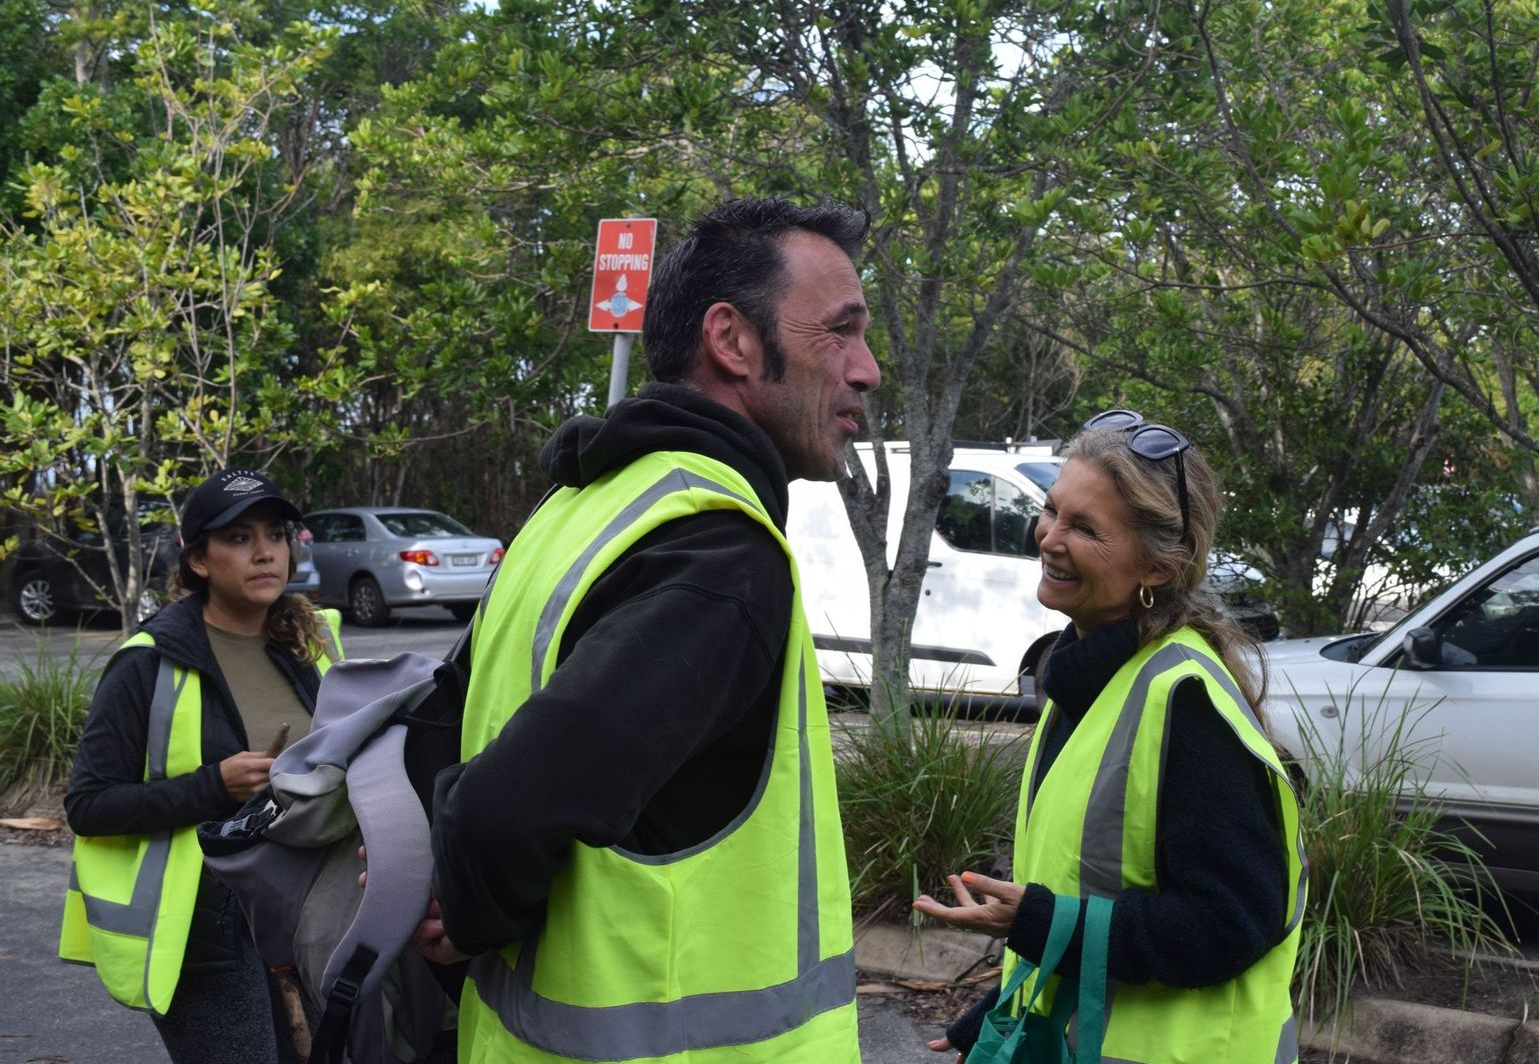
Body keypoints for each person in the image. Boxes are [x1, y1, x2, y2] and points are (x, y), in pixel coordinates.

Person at [427, 197, 879, 1062]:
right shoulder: (721, 552)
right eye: (841, 331)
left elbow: (439, 723)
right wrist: (472, 912)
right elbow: (501, 807)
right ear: (733, 340)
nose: (868, 369)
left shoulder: (577, 506)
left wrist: (457, 906)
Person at [913, 411, 1308, 1063]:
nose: (1048, 537)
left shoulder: (1185, 700)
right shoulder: (1084, 675)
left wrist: (1038, 922)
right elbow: (1091, 895)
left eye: (1085, 528)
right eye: (1051, 510)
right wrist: (997, 1013)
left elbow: (1232, 920)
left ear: (1156, 567)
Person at [61, 468, 344, 1063]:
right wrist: (213, 785)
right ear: (198, 561)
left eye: (275, 534)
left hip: (304, 911)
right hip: (205, 929)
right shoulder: (147, 662)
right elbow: (88, 806)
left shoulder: (306, 643)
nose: (266, 552)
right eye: (239, 538)